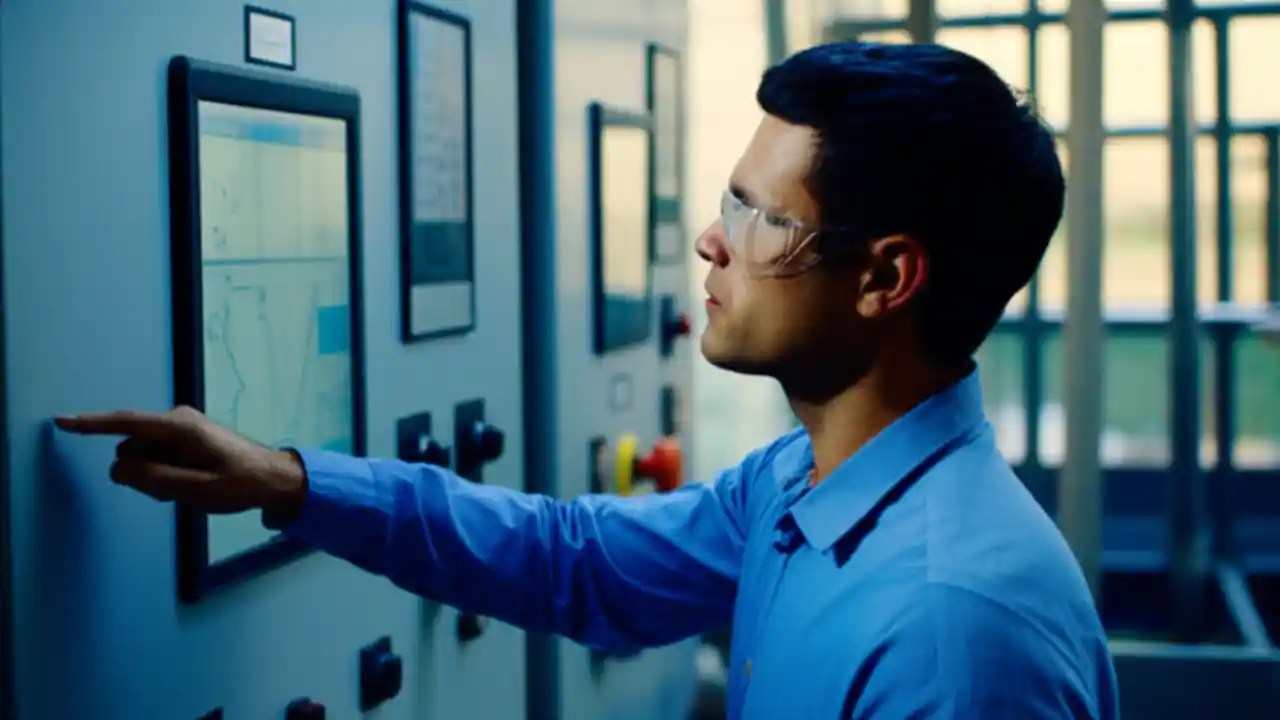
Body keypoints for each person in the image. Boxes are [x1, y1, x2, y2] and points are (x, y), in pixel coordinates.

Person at [56, 41, 1118, 719]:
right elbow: (578, 563)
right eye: (727, 200)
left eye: (761, 216)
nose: (713, 240)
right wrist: (289, 482)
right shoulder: (798, 487)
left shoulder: (950, 633)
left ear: (885, 276)